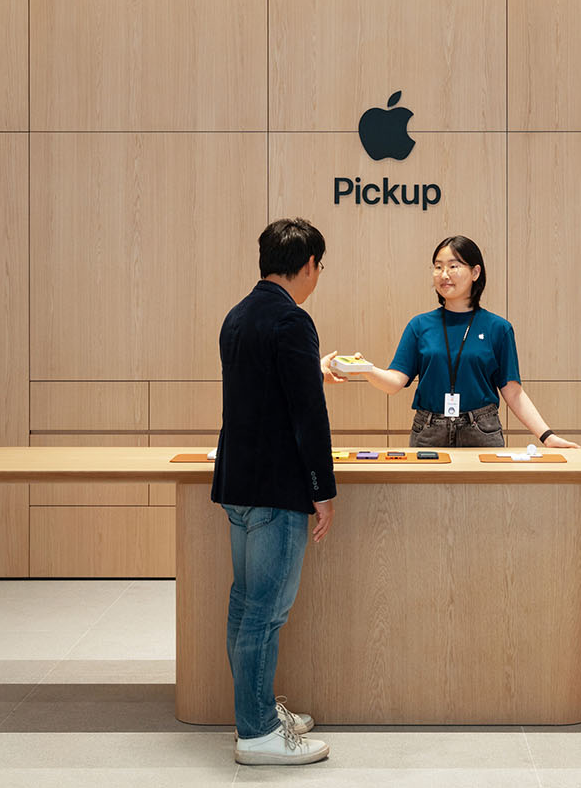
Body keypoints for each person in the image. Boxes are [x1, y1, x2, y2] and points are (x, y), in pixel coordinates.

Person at [213, 217, 342, 765]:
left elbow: (261, 391)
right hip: (275, 488)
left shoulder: (238, 316)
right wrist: (323, 488)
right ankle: (259, 734)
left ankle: (255, 713)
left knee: (245, 605)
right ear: (309, 265)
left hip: (238, 483)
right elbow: (306, 415)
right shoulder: (294, 320)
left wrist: (308, 370)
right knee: (265, 613)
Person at [336, 235, 579, 449]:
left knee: (485, 502)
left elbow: (513, 393)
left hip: (481, 430)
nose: (444, 275)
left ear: (475, 272)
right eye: (438, 267)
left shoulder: (498, 328)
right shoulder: (419, 326)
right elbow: (394, 382)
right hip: (429, 431)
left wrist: (547, 436)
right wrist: (366, 369)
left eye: (453, 266)